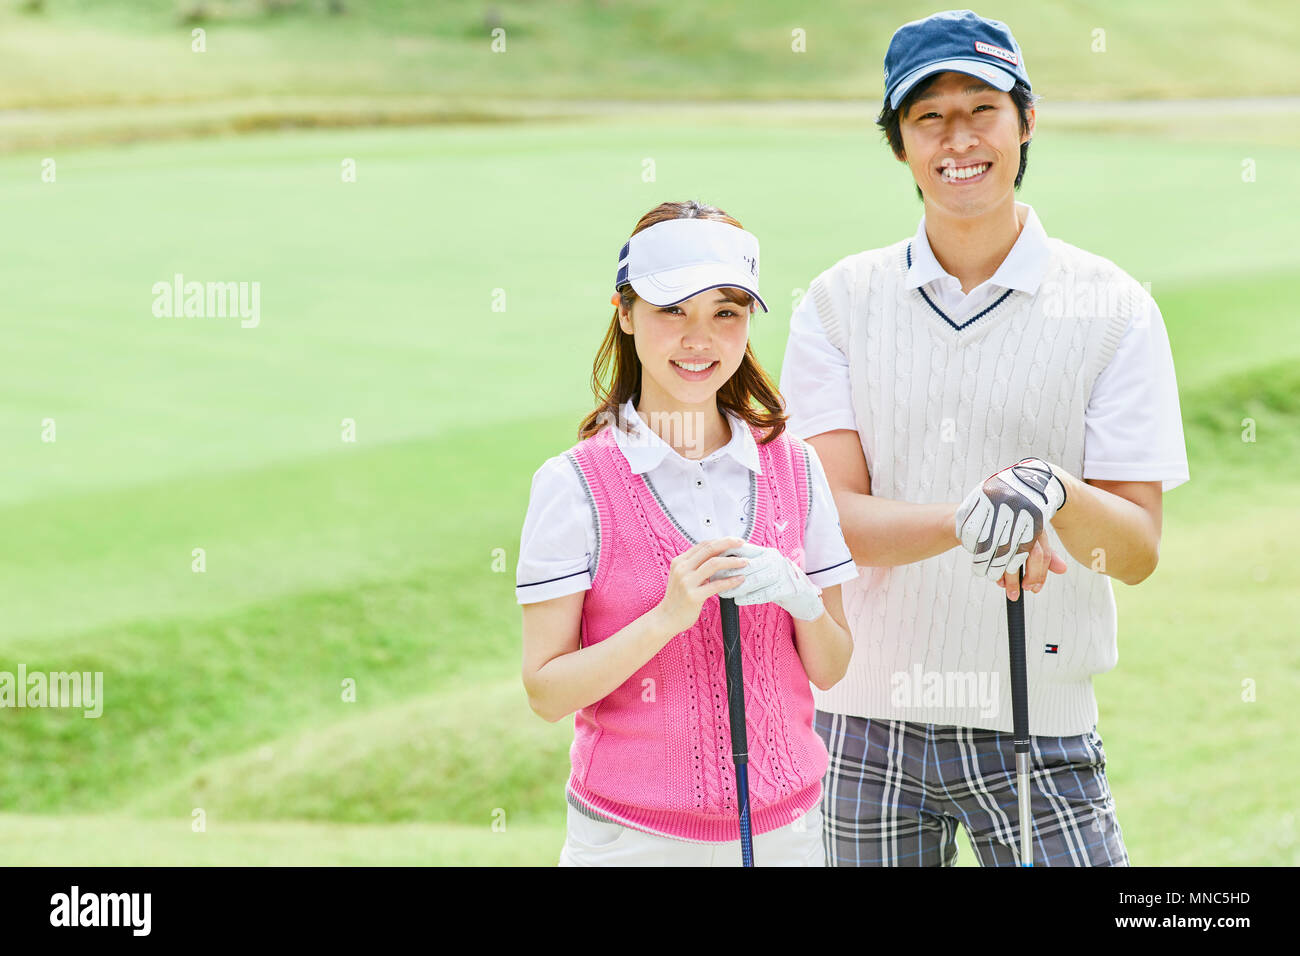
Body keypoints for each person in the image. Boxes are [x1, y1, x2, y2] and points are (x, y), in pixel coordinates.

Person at [779, 10, 1189, 866]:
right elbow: (835, 524)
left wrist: (1056, 491)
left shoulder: (1114, 309)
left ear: (1027, 122)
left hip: (1041, 727)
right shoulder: (836, 303)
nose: (958, 139)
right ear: (898, 143)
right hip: (862, 728)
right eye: (928, 117)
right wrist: (975, 516)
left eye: (983, 110)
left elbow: (1138, 550)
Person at [516, 199, 858, 866]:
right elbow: (546, 692)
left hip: (788, 836)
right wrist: (667, 618)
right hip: (631, 843)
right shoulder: (574, 483)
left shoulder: (794, 463)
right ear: (624, 312)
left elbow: (833, 665)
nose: (700, 339)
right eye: (673, 309)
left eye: (725, 312)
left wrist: (800, 598)